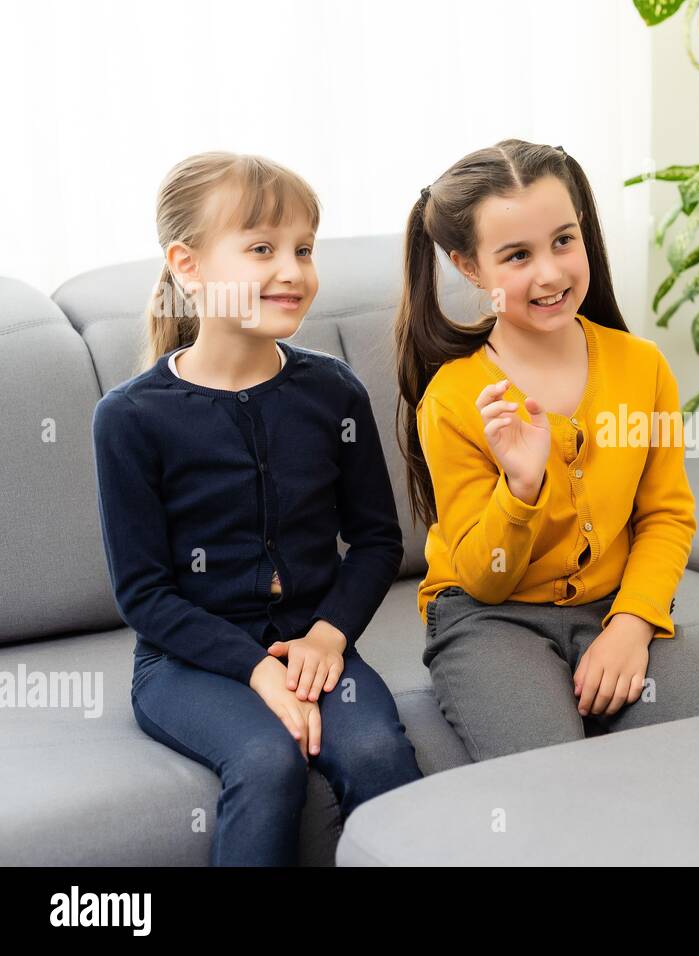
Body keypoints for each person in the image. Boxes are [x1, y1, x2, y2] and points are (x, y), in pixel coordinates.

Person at [91, 152, 423, 866]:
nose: (293, 270)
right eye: (262, 249)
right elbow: (144, 596)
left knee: (374, 753)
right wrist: (256, 669)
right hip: (186, 664)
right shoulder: (130, 418)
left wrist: (328, 637)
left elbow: (374, 541)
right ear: (188, 264)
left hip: (315, 646)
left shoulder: (334, 394)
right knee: (269, 761)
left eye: (303, 249)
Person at [393, 139, 699, 762]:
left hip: (614, 603)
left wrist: (632, 624)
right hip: (489, 615)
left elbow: (665, 517)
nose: (549, 273)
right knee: (552, 777)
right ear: (469, 268)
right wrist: (519, 491)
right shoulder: (454, 399)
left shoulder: (642, 368)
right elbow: (484, 580)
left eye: (563, 241)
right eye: (517, 255)